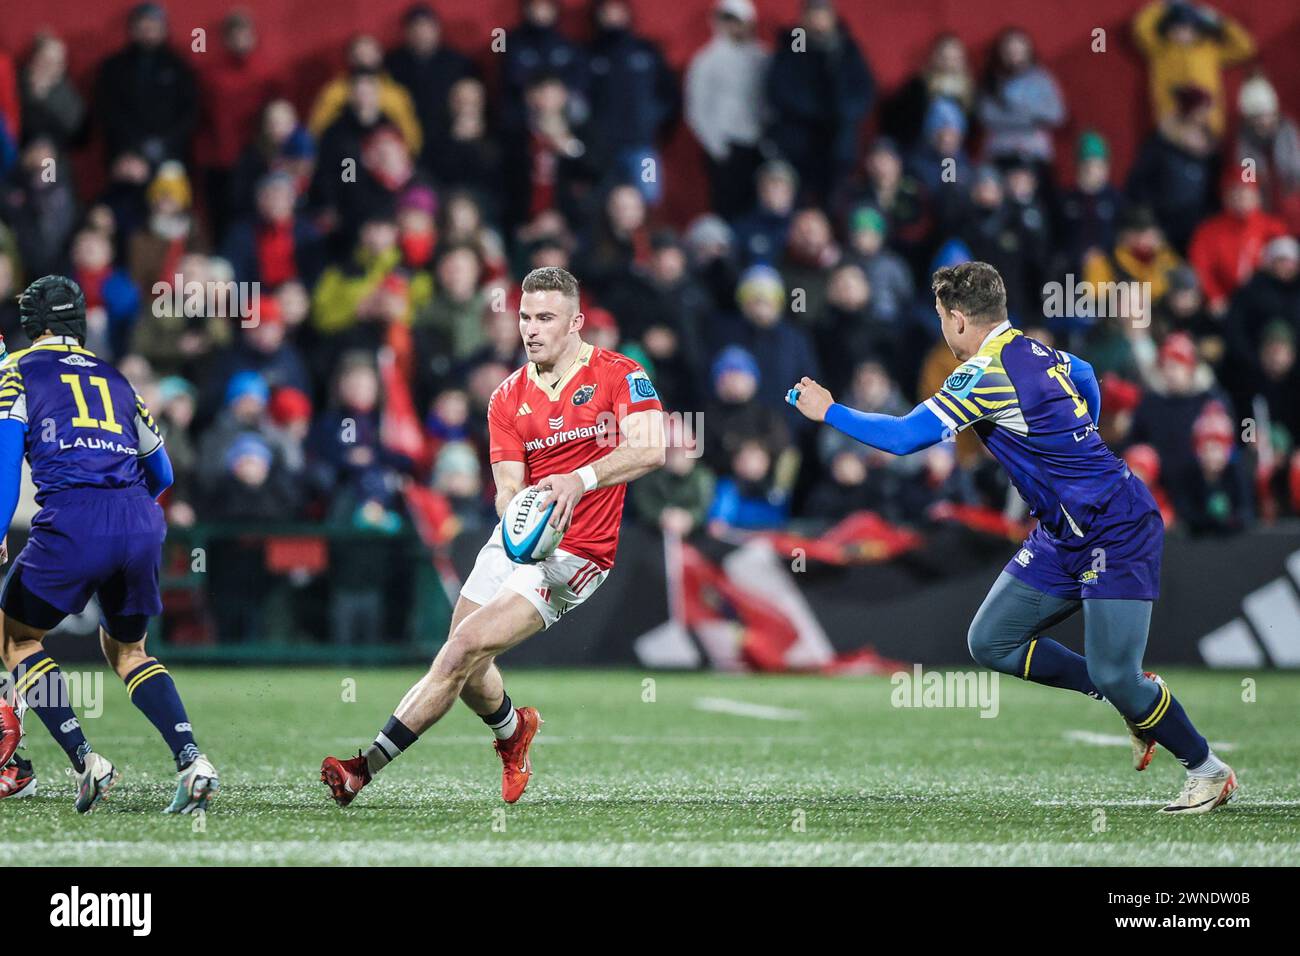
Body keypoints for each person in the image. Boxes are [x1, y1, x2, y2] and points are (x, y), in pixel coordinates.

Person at [786, 261, 1237, 814]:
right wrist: (1079, 440)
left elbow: (906, 438)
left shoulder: (984, 373)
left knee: (1115, 670)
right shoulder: (1039, 352)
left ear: (956, 319)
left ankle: (1207, 769)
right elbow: (1089, 374)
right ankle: (1121, 692)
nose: (942, 331)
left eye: (941, 320)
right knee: (992, 641)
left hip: (1114, 526)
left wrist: (828, 410)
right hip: (1063, 530)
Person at [320, 266, 665, 807]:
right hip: (521, 540)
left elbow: (651, 447)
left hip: (577, 556)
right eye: (525, 316)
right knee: (467, 660)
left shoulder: (621, 374)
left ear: (576, 322)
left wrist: (579, 480)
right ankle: (514, 732)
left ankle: (363, 768)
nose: (531, 328)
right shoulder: (506, 397)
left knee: (460, 649)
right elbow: (508, 486)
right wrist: (520, 516)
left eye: (545, 317)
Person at [0, 276, 218, 813]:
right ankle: (192, 759)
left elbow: (5, 465)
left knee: (17, 639)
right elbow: (161, 470)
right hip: (141, 518)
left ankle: (86, 761)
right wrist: (120, 505)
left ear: (34, 324)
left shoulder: (16, 371)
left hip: (73, 517)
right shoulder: (117, 377)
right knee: (128, 651)